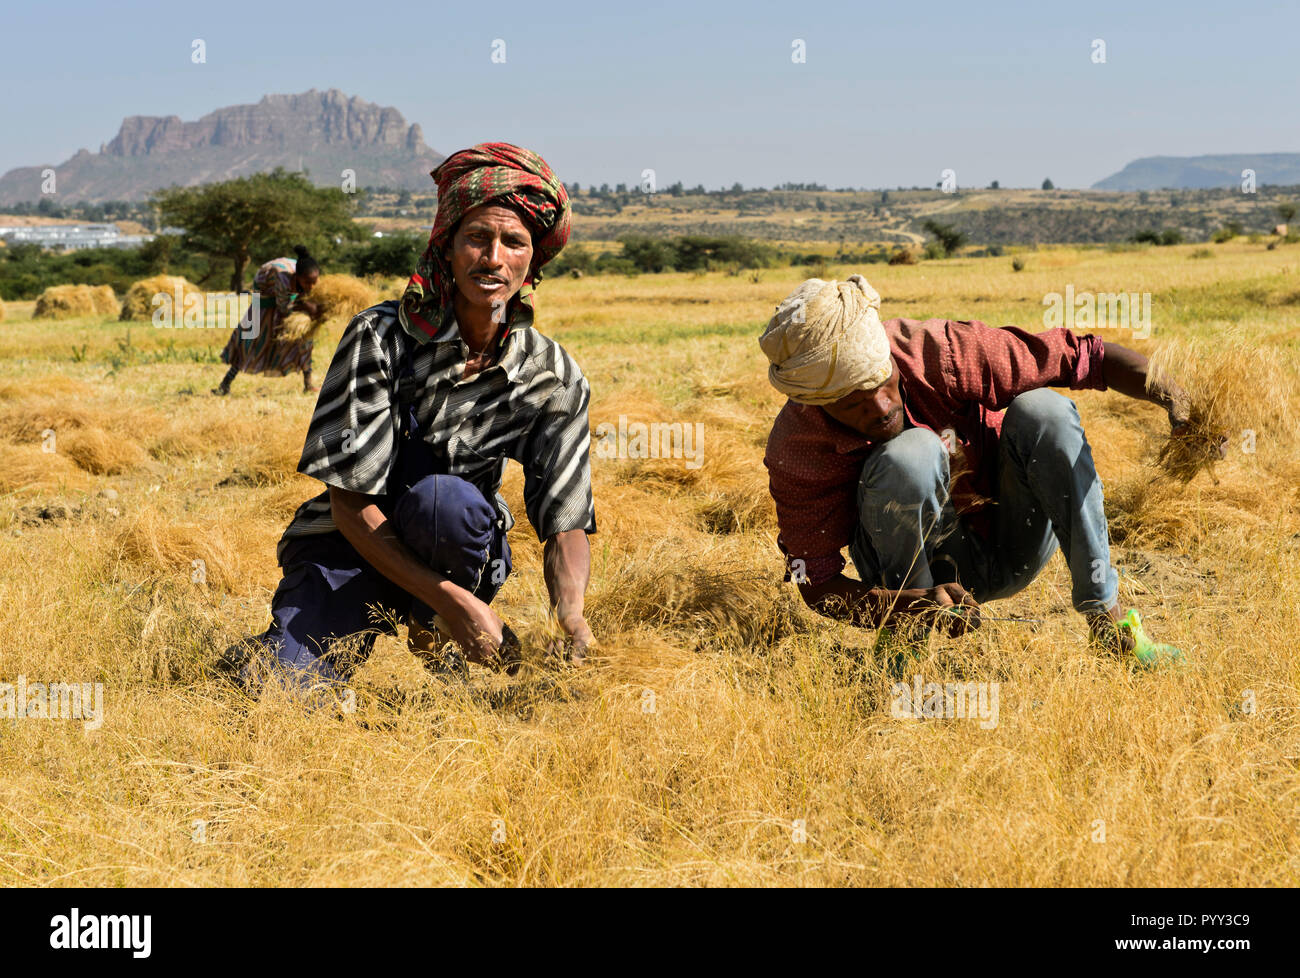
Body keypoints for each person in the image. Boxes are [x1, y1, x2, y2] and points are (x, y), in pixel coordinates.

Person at [223, 143, 595, 697]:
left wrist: (571, 616)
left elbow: (565, 514)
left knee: (446, 500)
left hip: (452, 535)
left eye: (513, 242)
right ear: (446, 248)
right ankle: (287, 647)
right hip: (349, 546)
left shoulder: (552, 375)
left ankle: (430, 629)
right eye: (477, 238)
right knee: (278, 693)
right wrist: (455, 601)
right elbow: (349, 504)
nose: (493, 257)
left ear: (531, 264)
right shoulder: (379, 339)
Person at [759, 274, 1212, 665]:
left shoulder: (938, 352)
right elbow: (813, 583)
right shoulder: (797, 449)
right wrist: (905, 608)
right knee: (910, 454)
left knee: (1046, 412)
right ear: (815, 403)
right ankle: (903, 651)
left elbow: (1083, 357)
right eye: (853, 403)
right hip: (903, 582)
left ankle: (1111, 625)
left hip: (1008, 540)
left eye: (882, 382)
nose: (880, 407)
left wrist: (1178, 402)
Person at [213, 244, 322, 395]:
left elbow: (307, 298)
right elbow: (284, 309)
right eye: (307, 283)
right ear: (297, 277)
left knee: (304, 339)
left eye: (314, 282)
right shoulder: (282, 277)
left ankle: (308, 384)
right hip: (263, 299)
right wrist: (305, 305)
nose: (311, 286)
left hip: (285, 298)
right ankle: (225, 385)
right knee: (249, 342)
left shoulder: (309, 274)